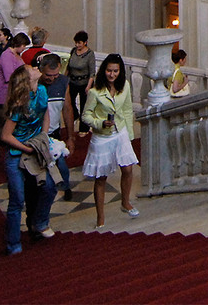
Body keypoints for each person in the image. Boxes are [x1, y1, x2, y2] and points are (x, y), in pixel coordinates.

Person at [1, 63, 57, 252]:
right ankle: (13, 243)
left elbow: (45, 114)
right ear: (27, 79)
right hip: (17, 154)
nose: (35, 67)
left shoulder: (41, 90)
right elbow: (6, 136)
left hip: (36, 147)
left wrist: (44, 136)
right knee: (17, 199)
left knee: (49, 188)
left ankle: (40, 222)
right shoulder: (19, 103)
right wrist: (27, 148)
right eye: (31, 68)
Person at [81, 54, 139, 227]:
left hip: (120, 132)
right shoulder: (95, 92)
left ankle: (125, 202)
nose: (112, 74)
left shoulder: (125, 86)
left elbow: (128, 110)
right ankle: (100, 217)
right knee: (101, 177)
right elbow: (85, 116)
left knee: (128, 169)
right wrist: (100, 123)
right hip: (102, 136)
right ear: (103, 70)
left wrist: (129, 135)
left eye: (115, 71)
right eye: (109, 71)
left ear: (120, 71)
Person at [37, 53, 76, 198]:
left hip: (54, 133)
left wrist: (71, 137)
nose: (52, 78)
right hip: (37, 135)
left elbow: (67, 109)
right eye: (48, 75)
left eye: (55, 75)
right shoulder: (34, 83)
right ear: (41, 70)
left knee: (62, 165)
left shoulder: (63, 82)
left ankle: (65, 187)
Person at [65, 31, 96, 130]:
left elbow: (92, 72)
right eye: (76, 43)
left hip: (85, 82)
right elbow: (68, 67)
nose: (77, 45)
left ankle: (84, 128)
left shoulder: (90, 54)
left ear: (85, 42)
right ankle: (74, 115)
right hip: (73, 81)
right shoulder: (73, 51)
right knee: (70, 101)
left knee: (84, 106)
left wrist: (88, 86)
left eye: (79, 43)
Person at [0, 32, 30, 112]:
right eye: (23, 45)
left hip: (12, 91)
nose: (24, 48)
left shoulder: (16, 55)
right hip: (3, 91)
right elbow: (9, 76)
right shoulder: (7, 55)